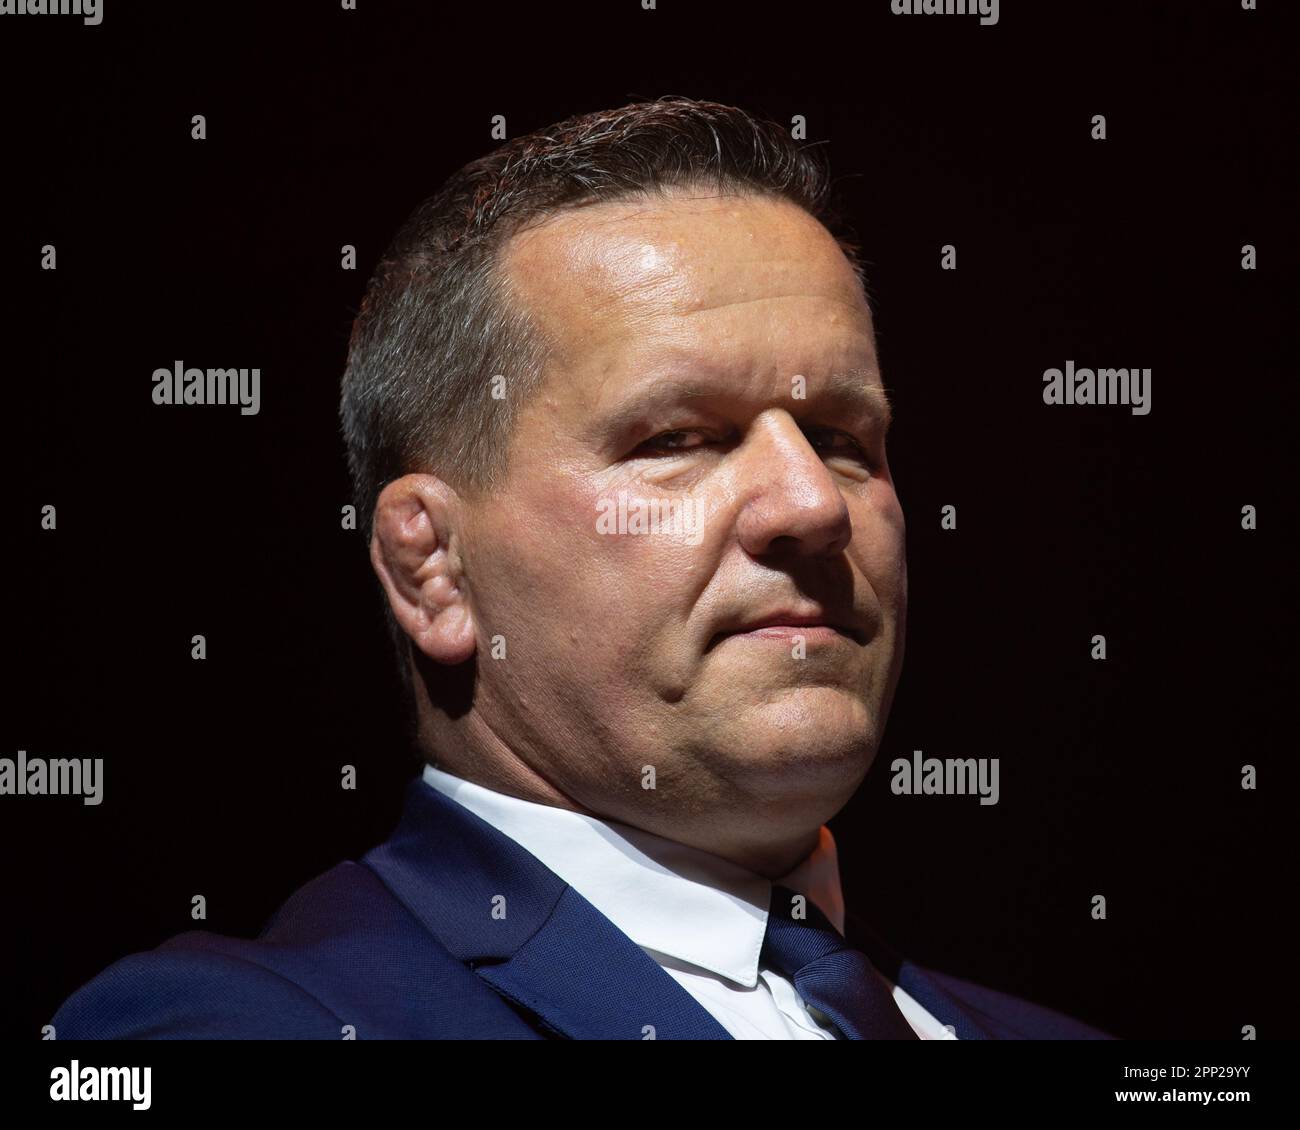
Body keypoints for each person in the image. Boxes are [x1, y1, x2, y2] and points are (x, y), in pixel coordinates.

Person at [52, 97, 1112, 1040]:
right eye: (678, 437)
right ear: (433, 568)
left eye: (842, 436)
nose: (811, 505)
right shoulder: (239, 1023)